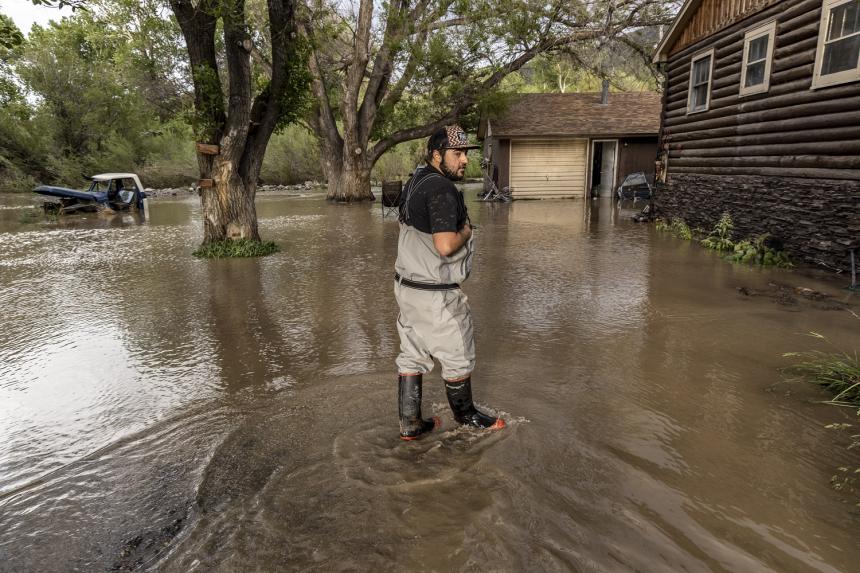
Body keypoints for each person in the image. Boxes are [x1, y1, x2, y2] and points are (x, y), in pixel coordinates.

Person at [394, 125, 506, 440]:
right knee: (458, 350)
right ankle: (467, 418)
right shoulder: (442, 190)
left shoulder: (417, 179)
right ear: (436, 154)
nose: (464, 161)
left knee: (412, 351)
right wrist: (467, 231)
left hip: (407, 287)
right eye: (457, 154)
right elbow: (445, 246)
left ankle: (411, 424)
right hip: (434, 294)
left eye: (465, 154)